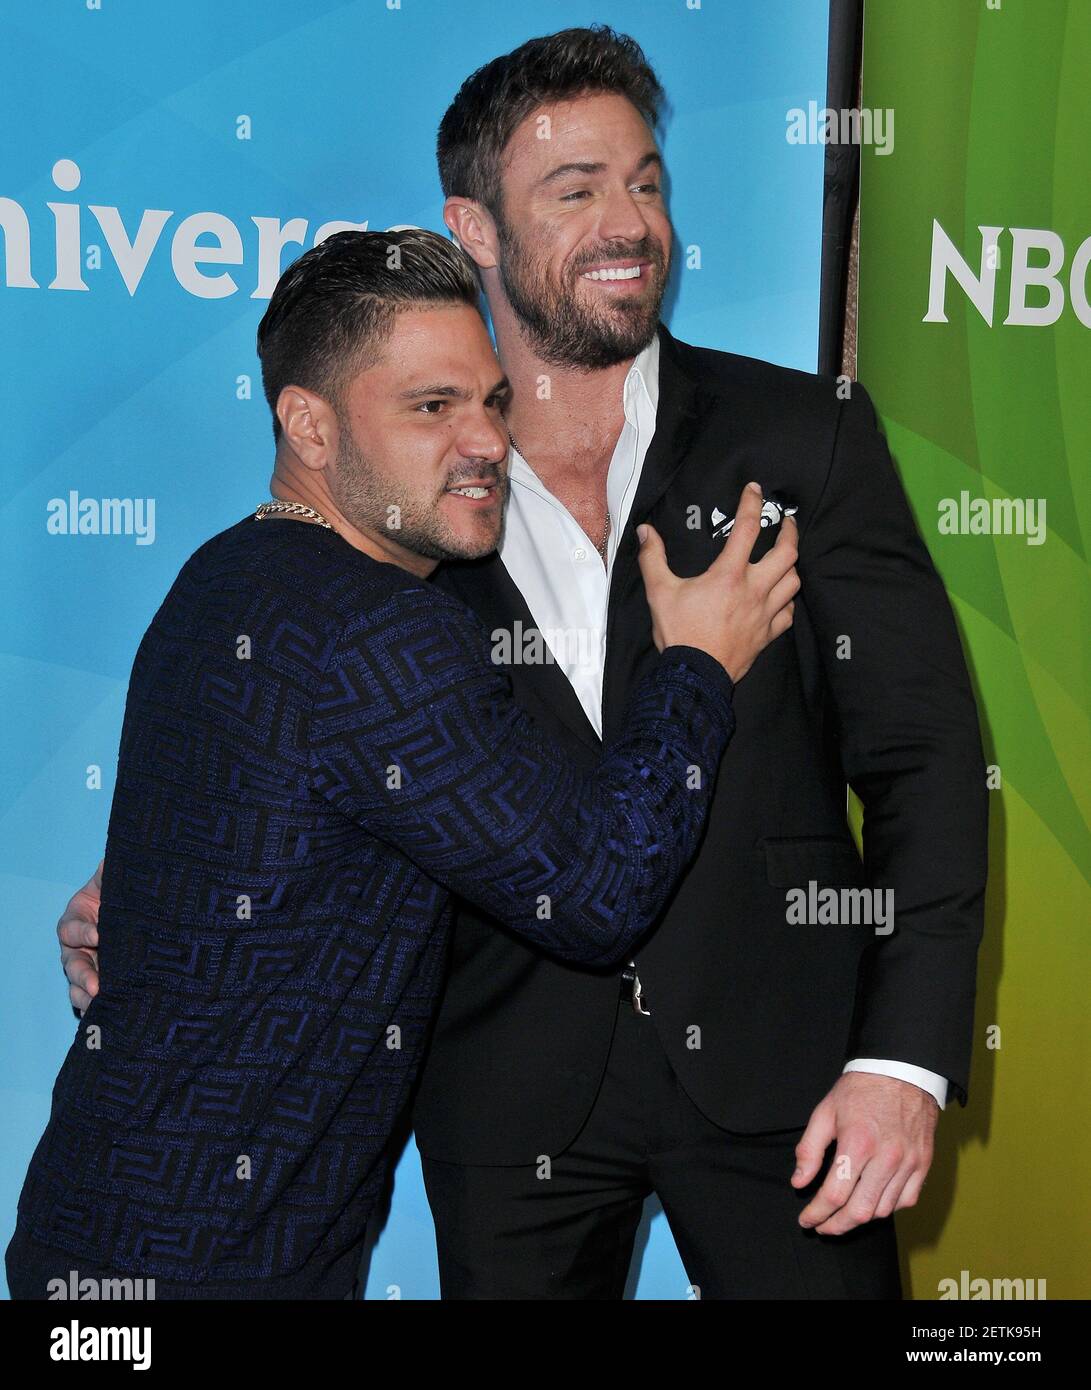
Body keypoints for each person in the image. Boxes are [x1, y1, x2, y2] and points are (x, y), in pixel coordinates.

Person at [60, 26, 989, 1301]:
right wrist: (173, 883)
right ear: (475, 227)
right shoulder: (413, 493)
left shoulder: (798, 435)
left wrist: (903, 1063)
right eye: (576, 189)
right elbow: (330, 729)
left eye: (645, 181)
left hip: (791, 1083)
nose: (629, 222)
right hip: (501, 1096)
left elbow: (925, 761)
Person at [9, 229, 797, 1300]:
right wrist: (697, 664)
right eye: (432, 407)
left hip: (94, 1241)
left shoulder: (221, 575)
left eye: (493, 401)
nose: (487, 442)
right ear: (309, 425)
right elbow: (598, 889)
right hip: (214, 1268)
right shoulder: (377, 627)